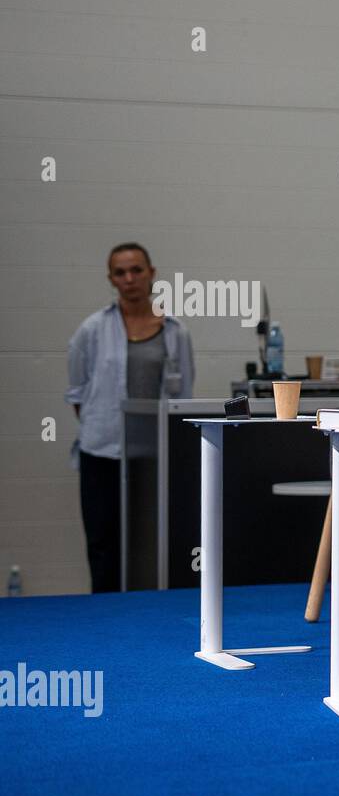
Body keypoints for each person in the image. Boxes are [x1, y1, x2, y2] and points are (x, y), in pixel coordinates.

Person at [66, 243, 194, 592]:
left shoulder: (174, 332)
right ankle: (104, 616)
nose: (130, 279)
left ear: (152, 272)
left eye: (137, 270)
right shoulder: (91, 330)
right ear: (111, 279)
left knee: (153, 540)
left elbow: (183, 396)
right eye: (120, 273)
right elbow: (77, 394)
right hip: (102, 452)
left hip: (153, 457)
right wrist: (106, 425)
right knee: (103, 543)